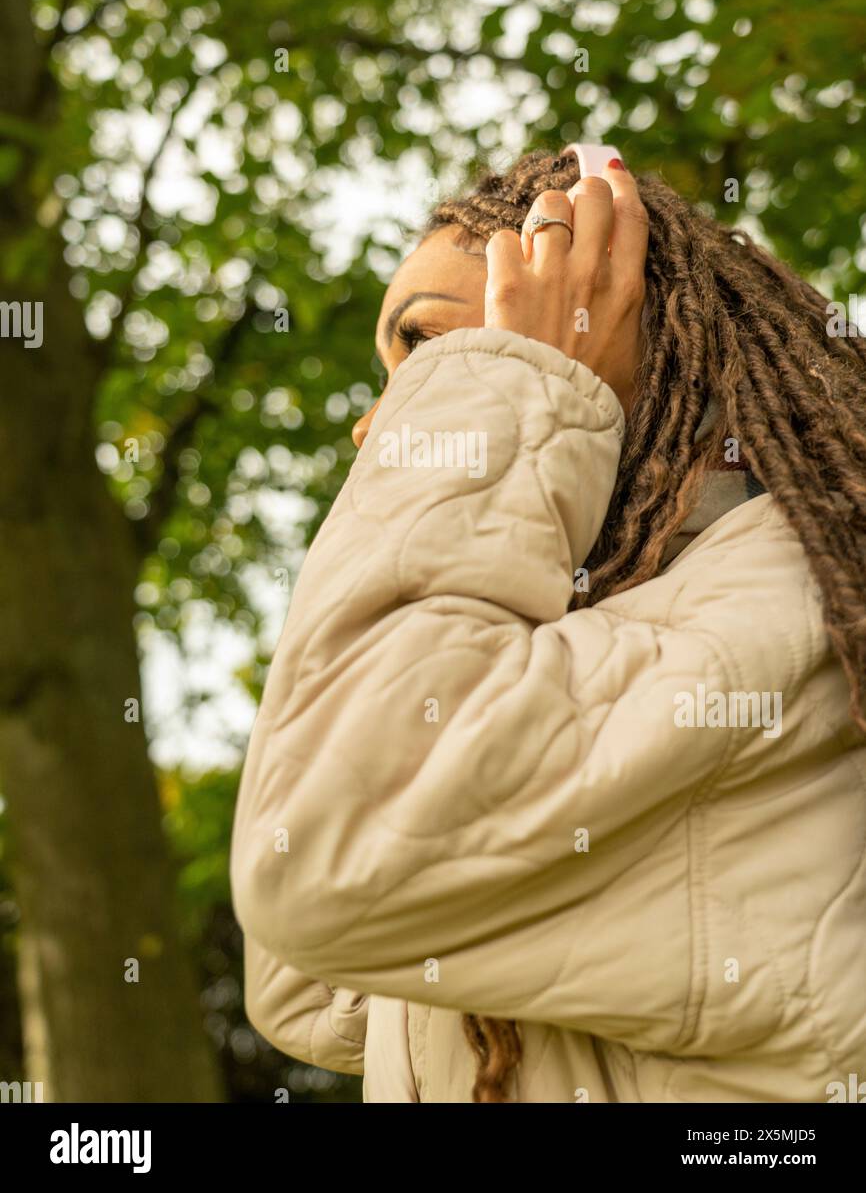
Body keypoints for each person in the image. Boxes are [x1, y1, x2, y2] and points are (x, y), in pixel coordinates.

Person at [230, 146, 866, 1103]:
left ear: (622, 343)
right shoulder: (585, 636)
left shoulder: (780, 596)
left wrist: (500, 397)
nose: (375, 423)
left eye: (425, 345)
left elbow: (328, 852)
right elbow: (303, 991)